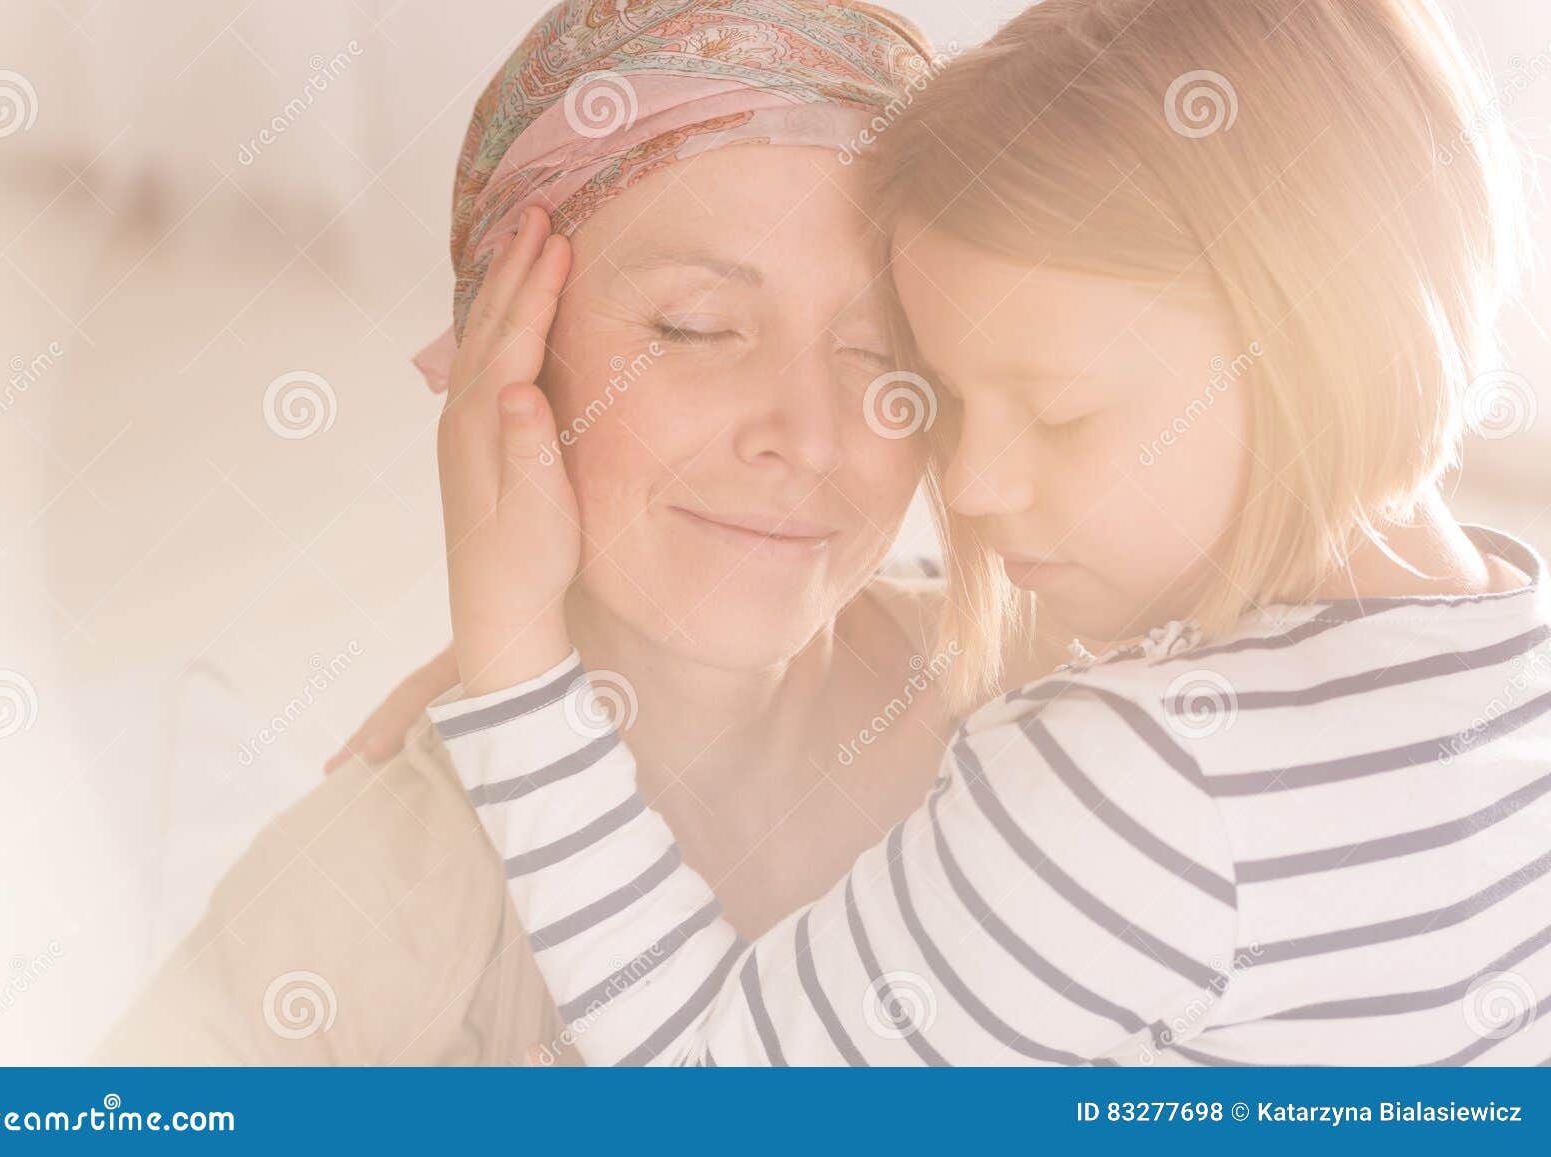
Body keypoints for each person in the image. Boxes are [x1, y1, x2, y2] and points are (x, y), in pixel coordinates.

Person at [427, 0, 1551, 1065]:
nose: (966, 483)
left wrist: (520, 664)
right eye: (944, 398)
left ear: (1320, 351)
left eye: (1060, 413)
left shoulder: (1132, 786)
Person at [92, 0, 1032, 1066]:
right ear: (511, 355)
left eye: (879, 349)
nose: (805, 435)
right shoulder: (373, 893)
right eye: (696, 327)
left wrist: (505, 653)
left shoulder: (1045, 702)